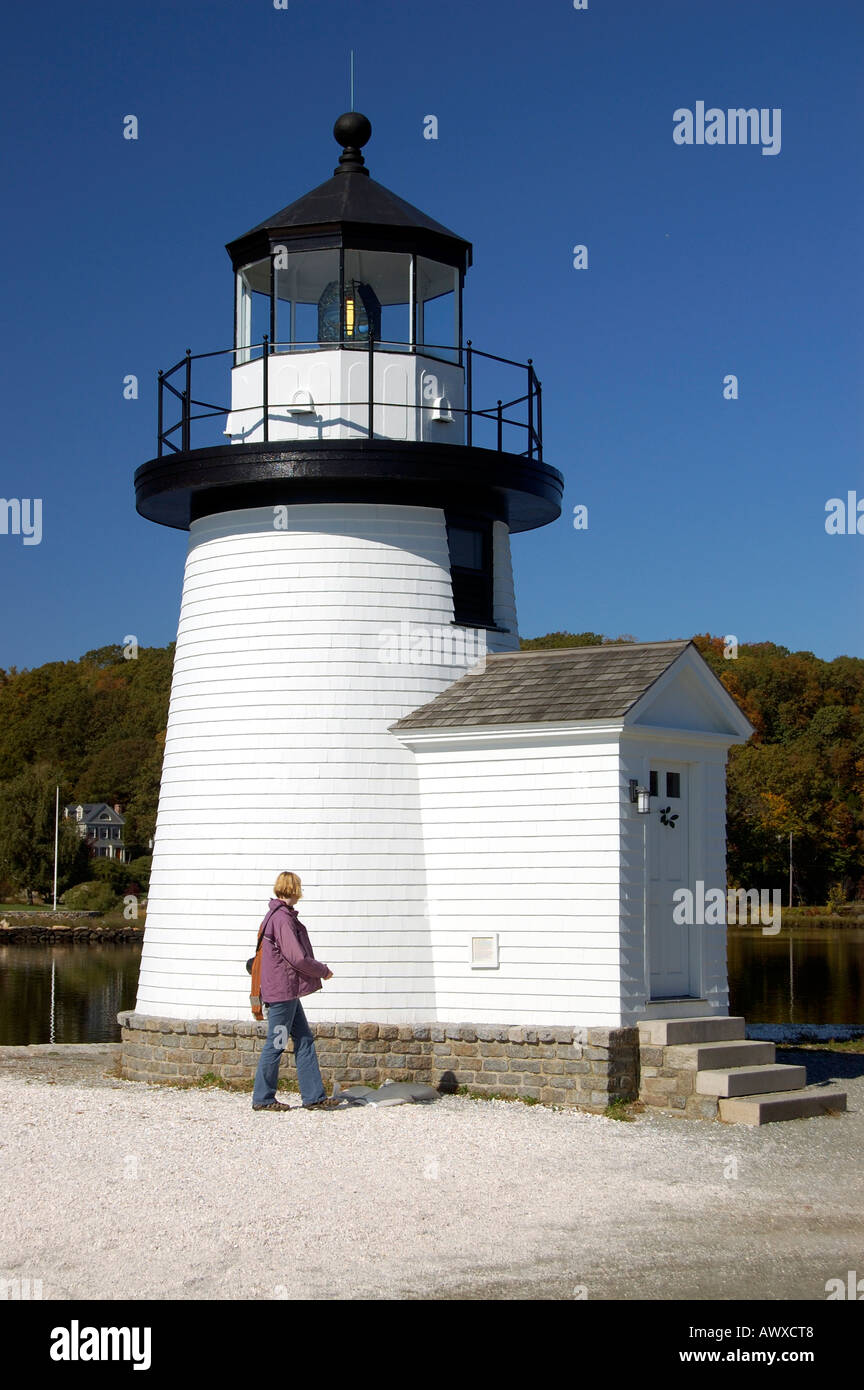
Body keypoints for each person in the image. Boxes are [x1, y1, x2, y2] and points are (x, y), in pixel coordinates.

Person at [251, 871, 339, 1112]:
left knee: (304, 1039)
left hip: (285, 993)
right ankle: (263, 1098)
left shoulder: (274, 915)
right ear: (294, 889)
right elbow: (297, 957)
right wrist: (323, 971)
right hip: (282, 995)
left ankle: (314, 1097)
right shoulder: (282, 919)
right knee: (276, 1043)